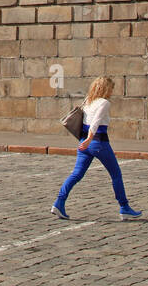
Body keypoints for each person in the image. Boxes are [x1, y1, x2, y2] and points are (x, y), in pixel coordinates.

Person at [52, 76, 142, 221]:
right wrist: (89, 139)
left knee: (76, 174)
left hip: (83, 143)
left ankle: (59, 202)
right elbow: (96, 122)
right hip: (98, 142)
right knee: (116, 174)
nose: (112, 91)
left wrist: (85, 140)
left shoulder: (88, 101)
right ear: (106, 88)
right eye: (111, 88)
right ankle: (124, 207)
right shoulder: (104, 103)